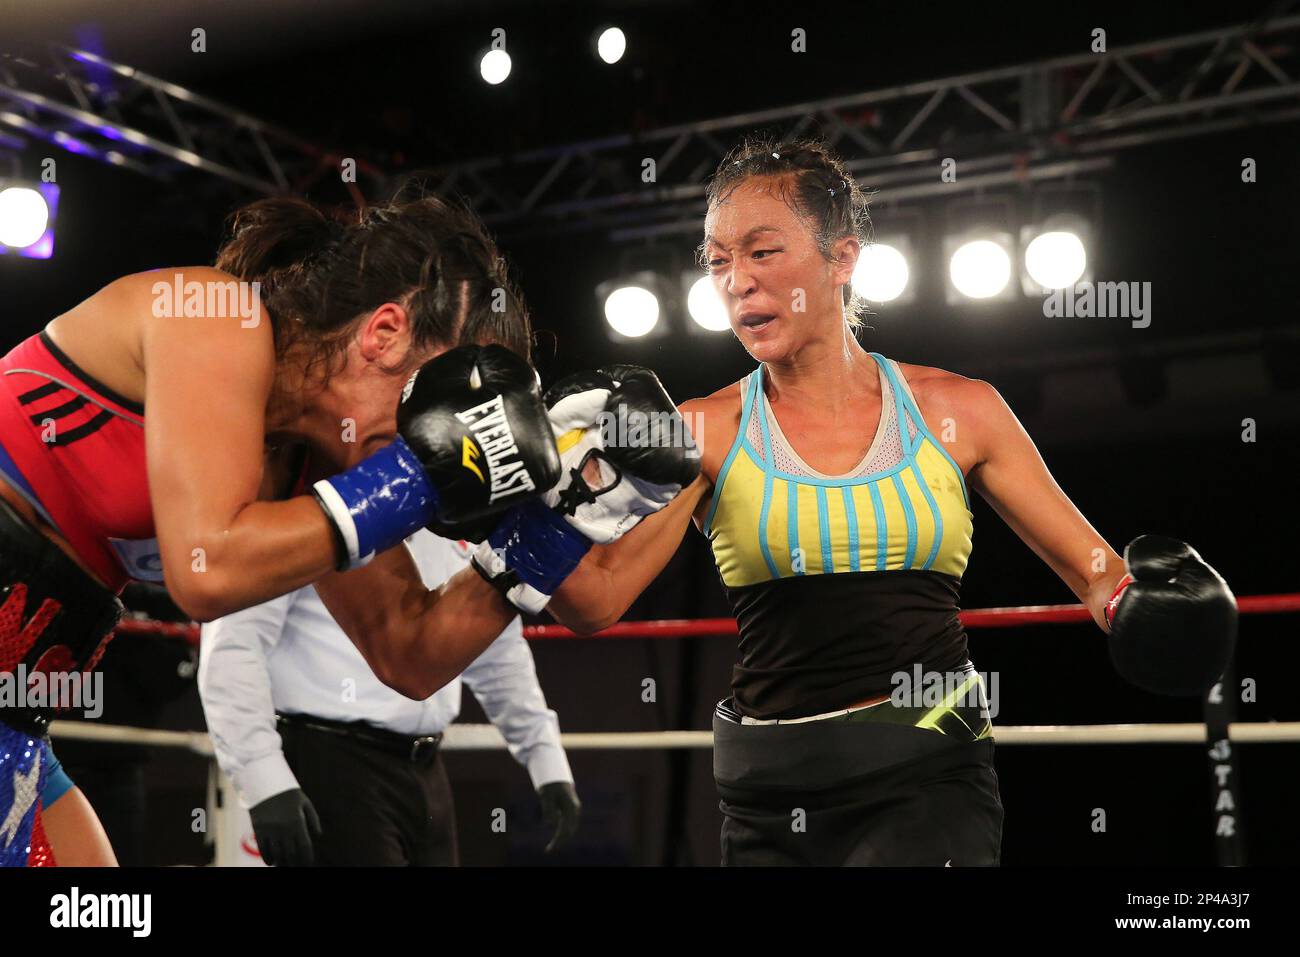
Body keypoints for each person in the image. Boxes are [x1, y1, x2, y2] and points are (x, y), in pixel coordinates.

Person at [501, 137, 1236, 866]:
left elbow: (1098, 573)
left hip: (929, 782)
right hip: (767, 798)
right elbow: (593, 601)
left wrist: (1142, 609)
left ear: (842, 257)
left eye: (761, 252)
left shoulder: (962, 410)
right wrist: (502, 503)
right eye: (718, 260)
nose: (737, 282)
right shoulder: (700, 429)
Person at [0, 177, 688, 867]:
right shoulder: (216, 319)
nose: (436, 431)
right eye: (438, 399)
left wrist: (556, 529)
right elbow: (205, 567)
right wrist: (424, 474)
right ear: (384, 333)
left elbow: (409, 649)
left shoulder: (318, 468)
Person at [198, 530, 580, 866]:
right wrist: (263, 778)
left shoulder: (460, 509)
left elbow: (495, 651)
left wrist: (545, 758)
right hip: (329, 763)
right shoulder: (310, 510)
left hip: (426, 767)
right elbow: (233, 648)